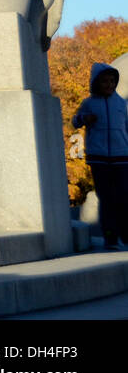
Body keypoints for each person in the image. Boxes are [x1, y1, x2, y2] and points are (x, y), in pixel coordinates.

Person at [73, 64, 128, 249]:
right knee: (107, 198)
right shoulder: (89, 103)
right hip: (98, 157)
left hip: (122, 156)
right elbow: (75, 121)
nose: (109, 84)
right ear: (96, 82)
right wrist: (84, 119)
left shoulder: (121, 103)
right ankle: (111, 238)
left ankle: (125, 236)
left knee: (123, 197)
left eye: (112, 81)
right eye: (105, 81)